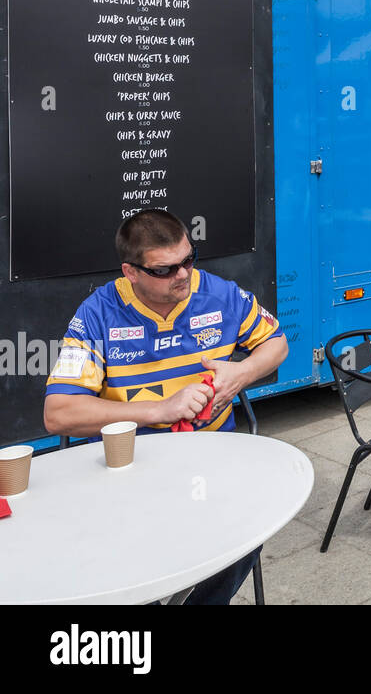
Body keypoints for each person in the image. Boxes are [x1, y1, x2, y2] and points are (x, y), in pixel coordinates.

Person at [45, 209, 289, 603]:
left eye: (189, 260)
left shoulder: (220, 294)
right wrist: (158, 412)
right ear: (131, 272)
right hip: (129, 472)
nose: (184, 275)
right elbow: (58, 413)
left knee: (250, 531)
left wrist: (240, 374)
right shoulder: (97, 314)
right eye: (166, 269)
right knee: (131, 560)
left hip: (211, 460)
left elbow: (276, 342)